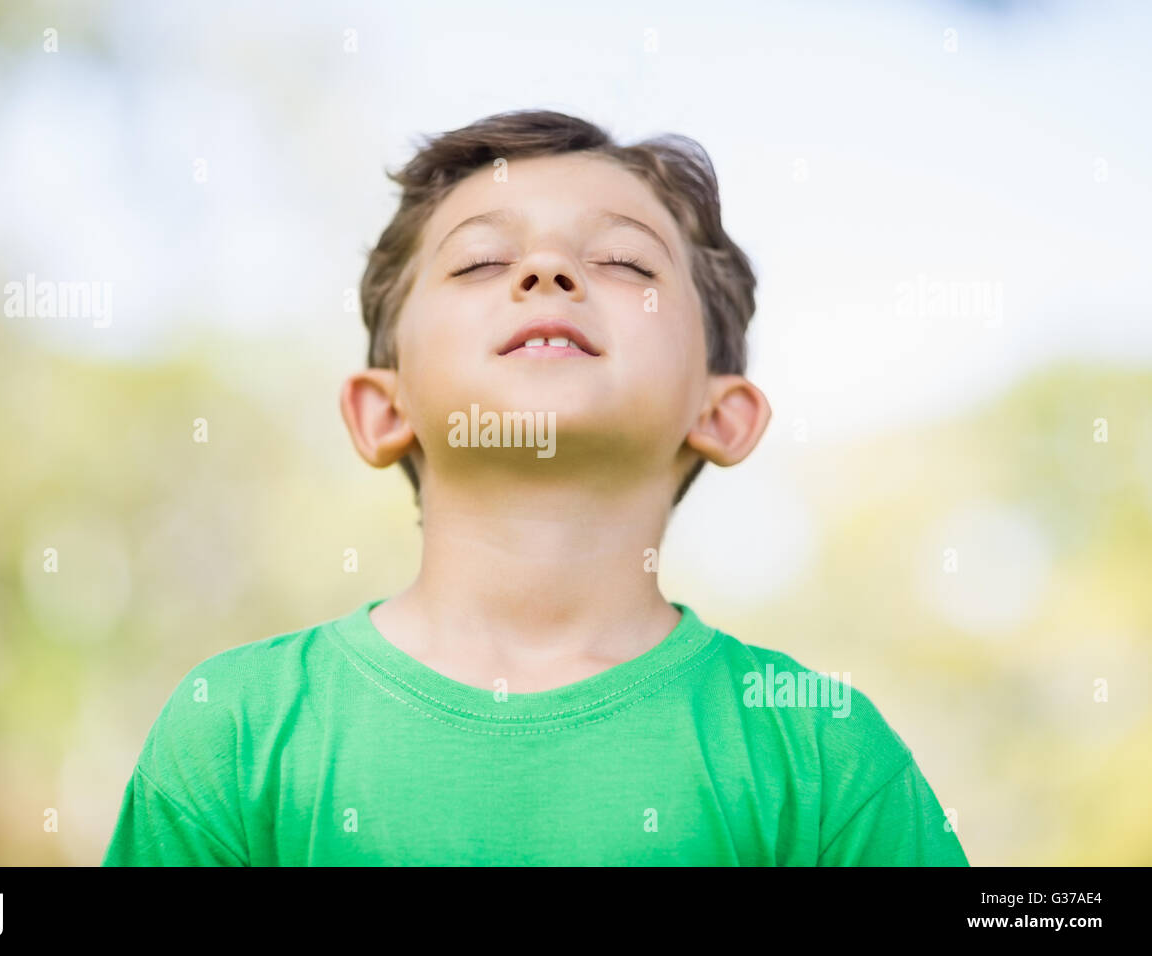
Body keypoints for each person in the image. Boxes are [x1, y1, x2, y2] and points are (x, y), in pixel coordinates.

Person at [102, 109, 969, 866]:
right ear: (381, 409)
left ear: (723, 413)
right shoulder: (236, 734)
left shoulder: (821, 753)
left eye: (627, 262)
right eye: (480, 260)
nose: (547, 273)